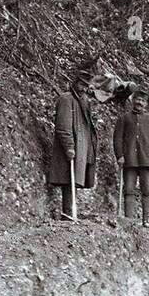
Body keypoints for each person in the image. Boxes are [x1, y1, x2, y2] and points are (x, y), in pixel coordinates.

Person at [47, 67, 98, 220]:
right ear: (75, 83)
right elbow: (63, 126)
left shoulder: (84, 101)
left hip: (81, 148)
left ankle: (70, 213)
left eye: (86, 85)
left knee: (74, 180)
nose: (84, 88)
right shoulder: (66, 99)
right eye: (81, 84)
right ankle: (67, 213)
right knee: (68, 179)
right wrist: (69, 146)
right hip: (71, 148)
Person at [113, 90, 149, 228]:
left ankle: (147, 220)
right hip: (129, 160)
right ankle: (129, 221)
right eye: (137, 99)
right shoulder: (124, 119)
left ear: (146, 104)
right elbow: (117, 138)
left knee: (147, 190)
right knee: (129, 189)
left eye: (143, 101)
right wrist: (120, 155)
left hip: (147, 160)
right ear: (132, 101)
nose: (139, 102)